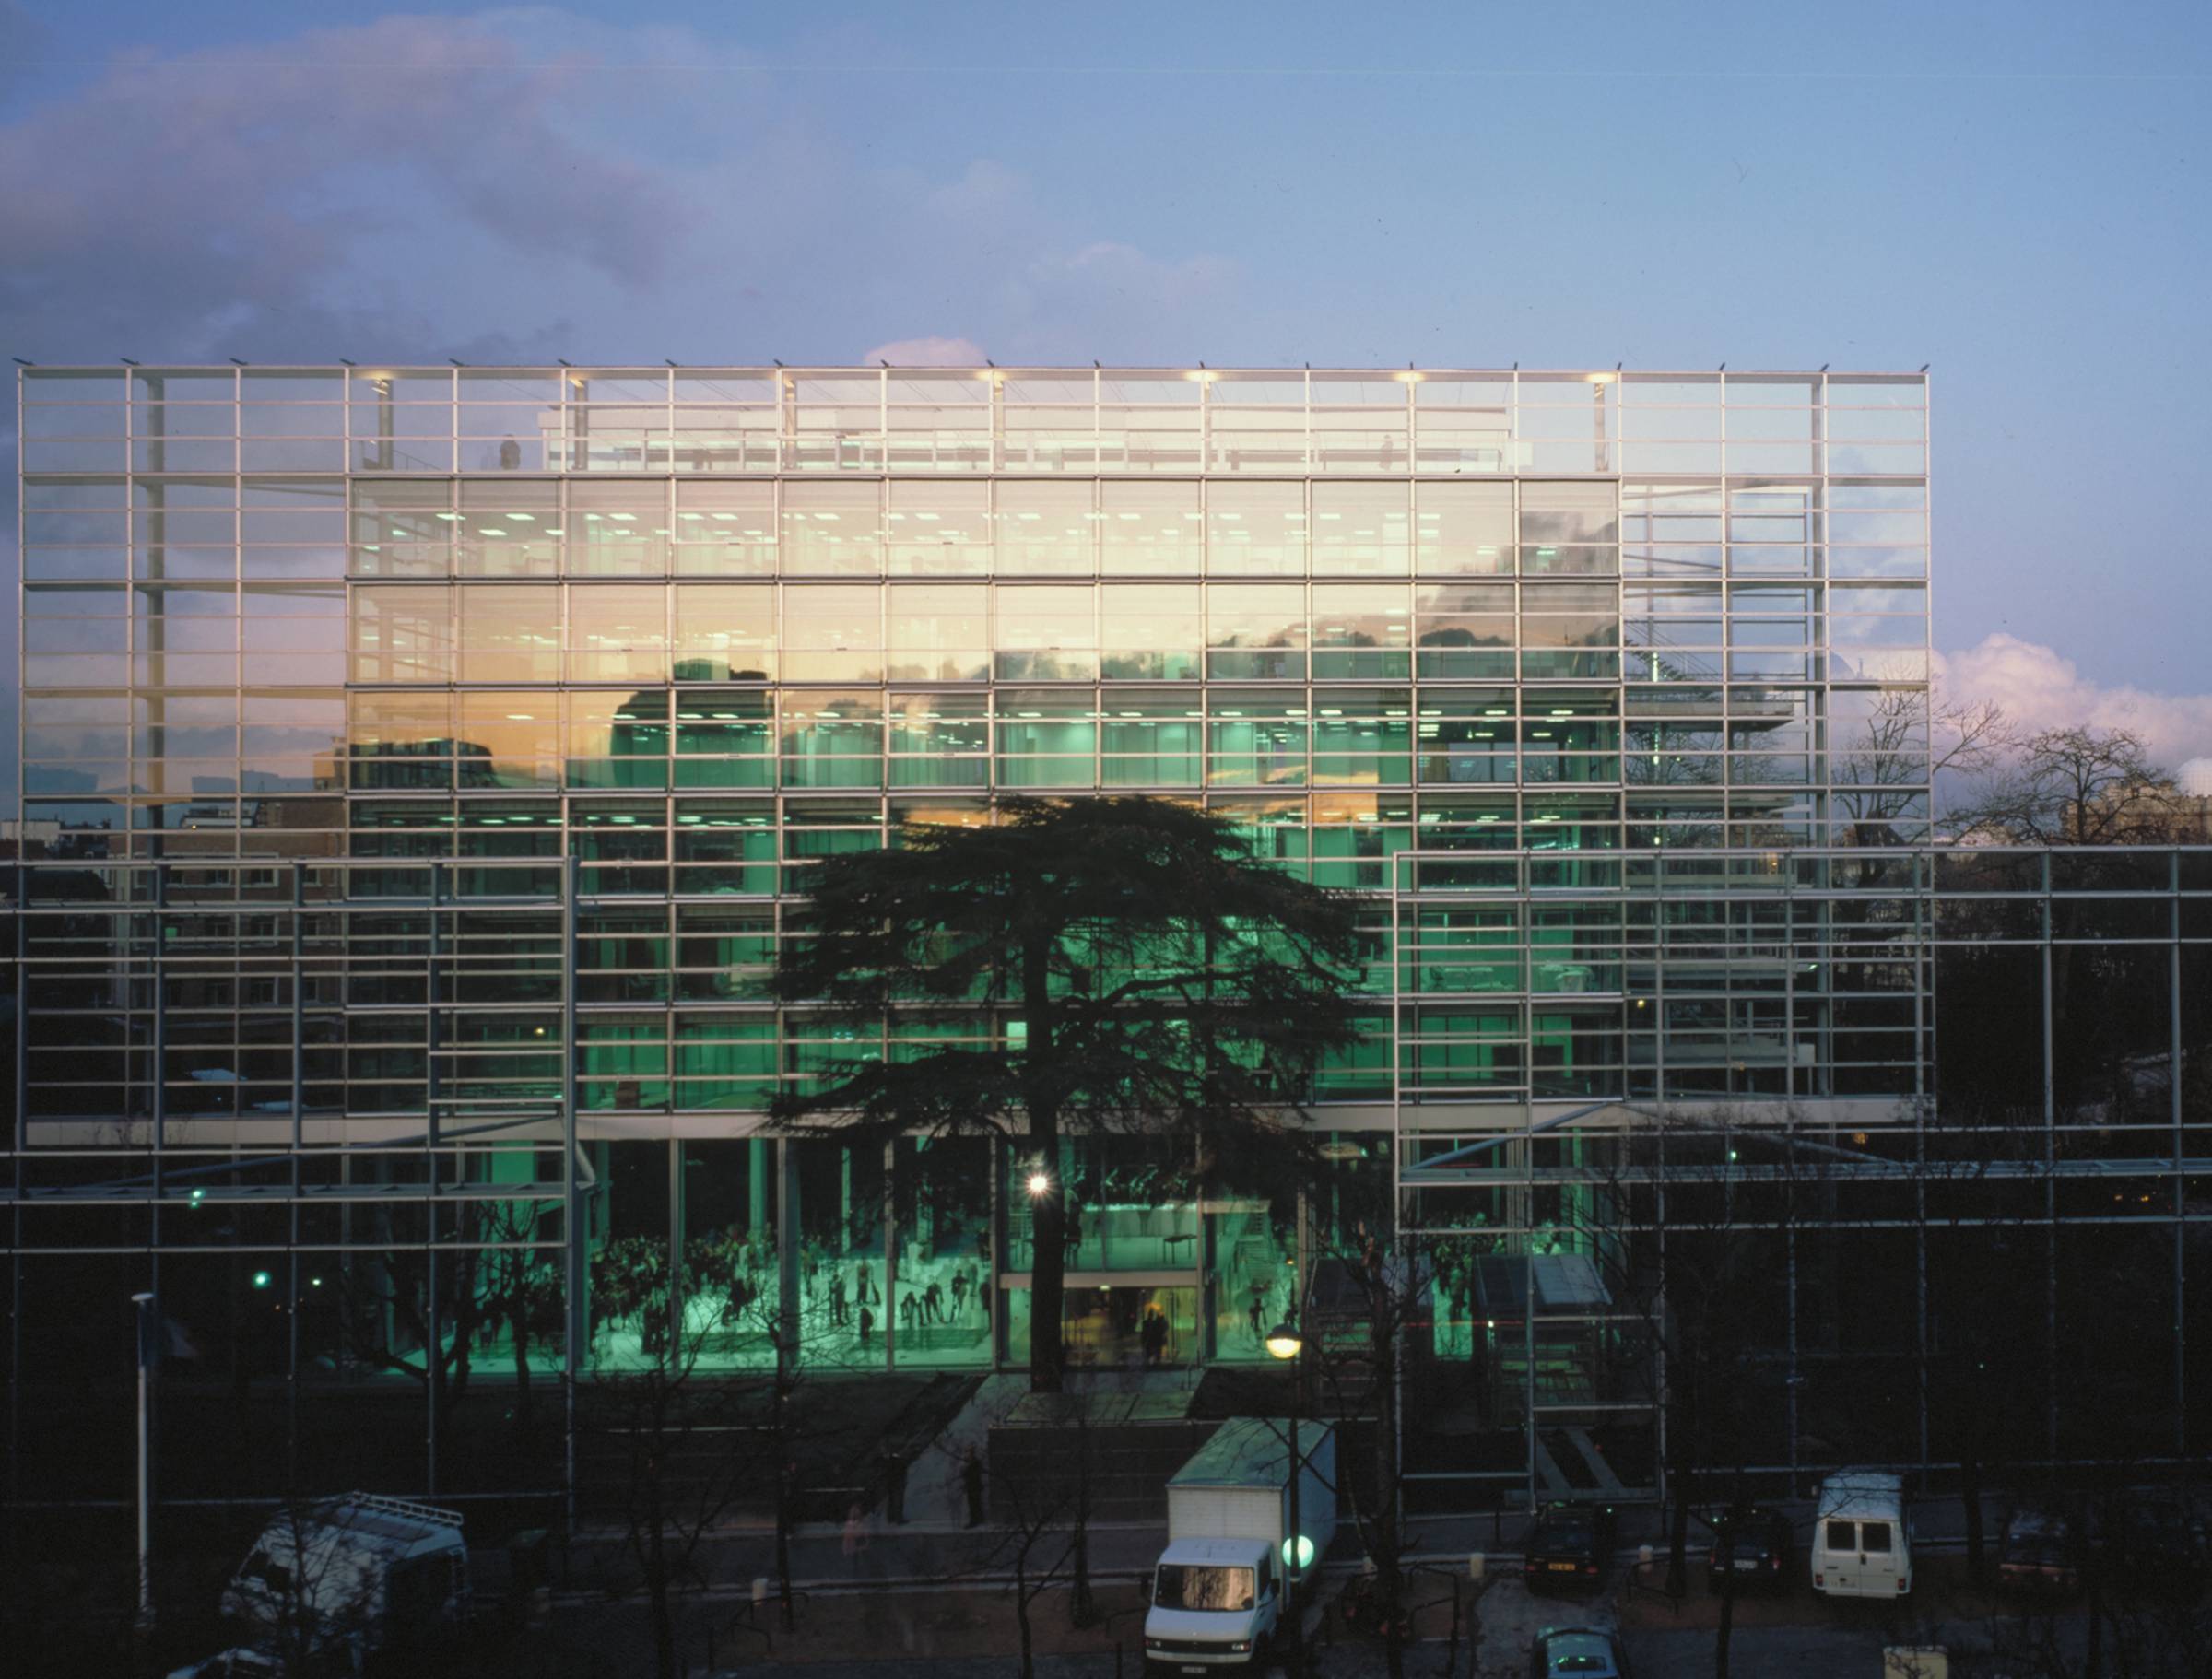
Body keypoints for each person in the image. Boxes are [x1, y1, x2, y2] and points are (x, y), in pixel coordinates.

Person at [882, 1442, 909, 1524]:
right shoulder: (896, 1460)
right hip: (897, 1481)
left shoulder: (888, 1460)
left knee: (892, 1500)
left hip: (891, 1481)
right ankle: (898, 1519)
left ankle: (891, 1518)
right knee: (898, 1500)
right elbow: (901, 1469)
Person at [842, 1502, 871, 1576]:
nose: (855, 1513)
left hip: (860, 1545)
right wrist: (846, 1548)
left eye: (856, 1511)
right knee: (854, 1562)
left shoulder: (863, 1523)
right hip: (853, 1546)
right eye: (853, 1511)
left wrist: (866, 1544)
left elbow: (866, 1535)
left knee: (862, 1562)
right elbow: (846, 1537)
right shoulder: (849, 1524)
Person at [961, 1446, 986, 1528]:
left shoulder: (975, 1463)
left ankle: (976, 1521)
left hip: (974, 1487)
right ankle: (976, 1520)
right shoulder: (971, 1463)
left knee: (975, 1504)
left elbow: (974, 1475)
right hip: (972, 1487)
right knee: (973, 1504)